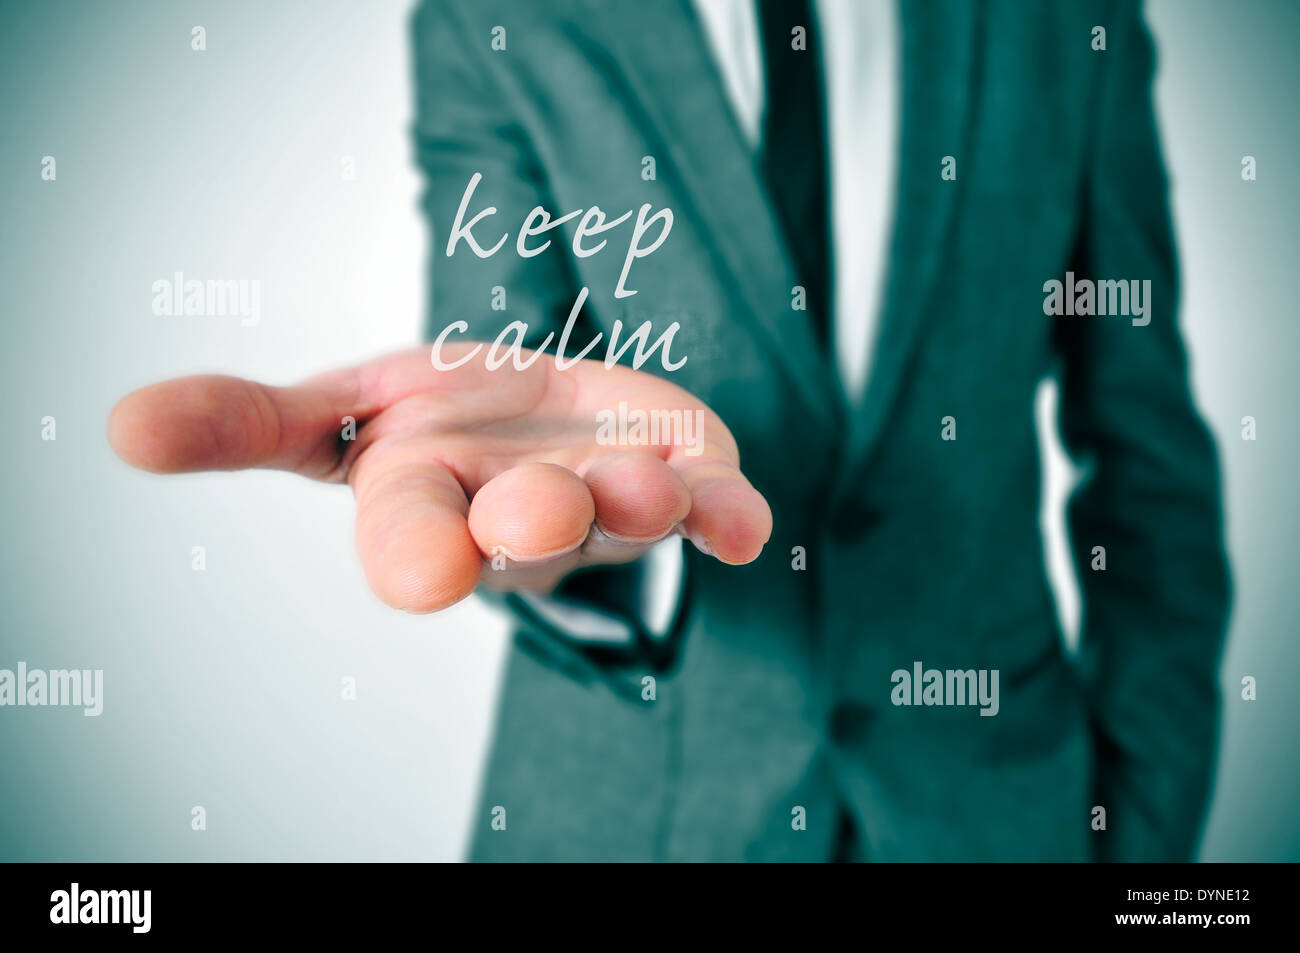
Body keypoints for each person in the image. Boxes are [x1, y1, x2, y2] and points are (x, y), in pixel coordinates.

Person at [108, 0, 1230, 861]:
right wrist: (579, 548)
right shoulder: (502, 19)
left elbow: (1148, 459)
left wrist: (1144, 842)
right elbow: (501, 400)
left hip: (1000, 806)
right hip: (630, 813)